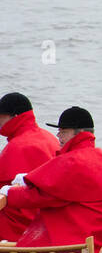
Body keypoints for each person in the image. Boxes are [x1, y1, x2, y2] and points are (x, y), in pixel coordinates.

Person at [0, 106, 102, 248]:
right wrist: (29, 180)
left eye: (63, 132)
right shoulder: (101, 155)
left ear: (79, 134)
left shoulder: (73, 160)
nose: (58, 136)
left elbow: (43, 196)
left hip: (82, 239)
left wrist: (9, 193)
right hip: (100, 232)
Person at [0, 92, 60, 242]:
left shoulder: (16, 146)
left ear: (14, 117)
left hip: (22, 226)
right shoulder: (50, 137)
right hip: (48, 220)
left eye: (2, 115)